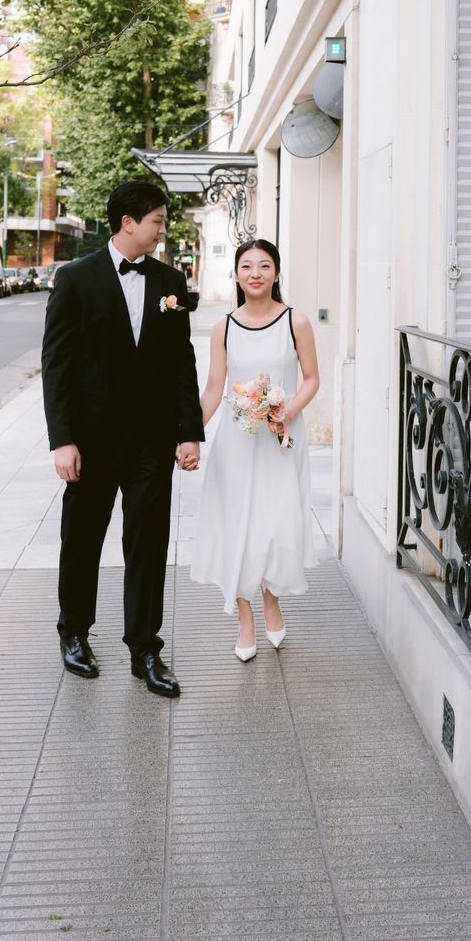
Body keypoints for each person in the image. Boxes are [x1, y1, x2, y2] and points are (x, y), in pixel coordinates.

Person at [41, 180, 204, 697]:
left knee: (148, 543)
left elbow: (182, 363)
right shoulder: (74, 279)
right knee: (82, 539)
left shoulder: (170, 281)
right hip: (89, 442)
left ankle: (145, 648)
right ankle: (74, 634)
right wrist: (62, 440)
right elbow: (56, 366)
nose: (162, 229)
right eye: (157, 221)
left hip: (151, 444)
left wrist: (188, 433)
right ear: (128, 223)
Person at [191, 238, 320, 661]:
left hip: (279, 442)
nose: (256, 273)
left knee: (278, 525)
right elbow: (214, 389)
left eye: (265, 266)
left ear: (277, 274)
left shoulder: (295, 322)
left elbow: (311, 379)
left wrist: (286, 412)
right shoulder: (223, 327)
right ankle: (245, 617)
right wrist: (190, 433)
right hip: (237, 444)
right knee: (240, 527)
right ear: (237, 275)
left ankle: (272, 598)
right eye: (247, 266)